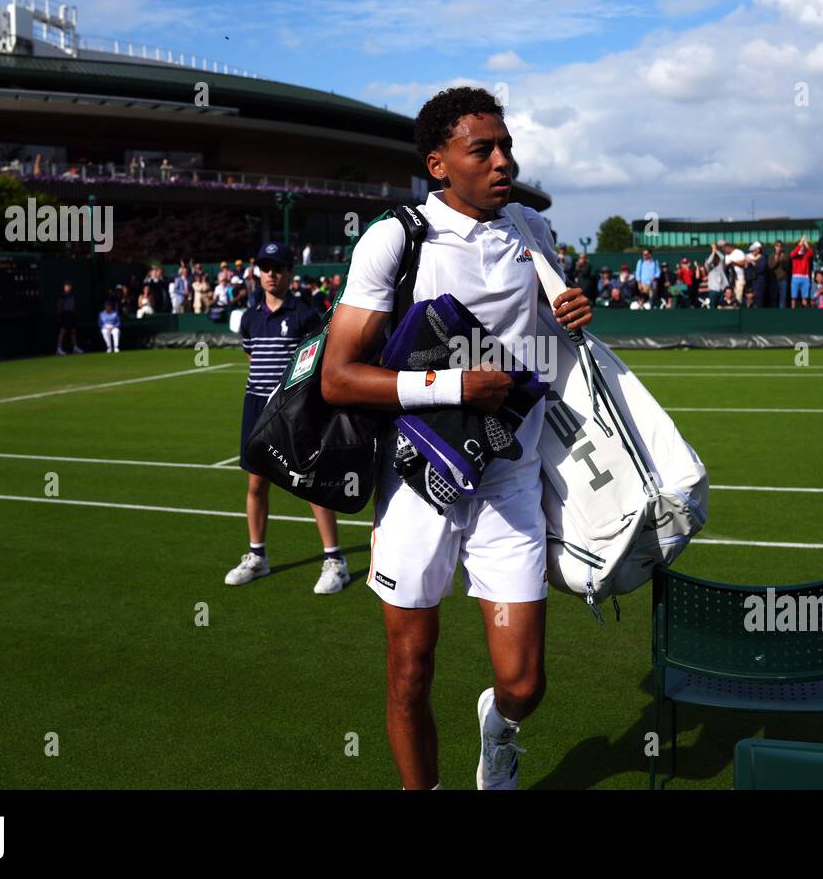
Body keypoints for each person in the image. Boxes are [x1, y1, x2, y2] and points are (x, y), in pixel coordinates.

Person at [320, 86, 592, 791]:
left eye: (507, 146)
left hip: (508, 476)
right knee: (410, 670)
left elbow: (550, 345)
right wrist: (450, 387)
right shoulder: (396, 237)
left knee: (523, 682)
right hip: (415, 483)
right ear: (439, 164)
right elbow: (338, 378)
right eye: (484, 149)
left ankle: (497, 729)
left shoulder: (533, 229)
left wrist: (573, 314)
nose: (504, 161)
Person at [225, 241, 351, 598]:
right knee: (255, 484)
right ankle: (257, 556)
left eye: (277, 268)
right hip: (255, 407)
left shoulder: (305, 314)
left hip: (293, 410)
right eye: (265, 268)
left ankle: (335, 561)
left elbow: (312, 365)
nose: (271, 274)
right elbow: (252, 360)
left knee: (309, 482)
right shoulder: (249, 317)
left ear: (290, 273)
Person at [55, 282, 83, 355]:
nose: (67, 287)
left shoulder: (72, 295)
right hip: (64, 314)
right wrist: (59, 315)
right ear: (64, 287)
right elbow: (59, 305)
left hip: (71, 314)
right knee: (62, 331)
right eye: (66, 286)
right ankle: (59, 348)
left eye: (69, 286)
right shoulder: (62, 295)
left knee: (73, 331)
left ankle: (75, 347)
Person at [789, 236, 814, 307]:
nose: (801, 247)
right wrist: (800, 243)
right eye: (800, 245)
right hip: (795, 278)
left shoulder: (806, 254)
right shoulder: (794, 254)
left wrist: (806, 244)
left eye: (802, 245)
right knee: (794, 298)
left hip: (805, 278)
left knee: (805, 298)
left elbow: (811, 253)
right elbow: (792, 254)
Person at [703, 242, 729, 309]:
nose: (715, 259)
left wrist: (716, 250)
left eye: (716, 258)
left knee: (722, 307)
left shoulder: (721, 266)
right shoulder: (709, 268)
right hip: (713, 290)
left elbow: (722, 258)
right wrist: (713, 252)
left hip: (722, 290)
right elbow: (708, 262)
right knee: (712, 307)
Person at [768, 240, 791, 308]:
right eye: (777, 246)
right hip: (774, 280)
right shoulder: (771, 256)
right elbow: (771, 266)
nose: (778, 248)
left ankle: (783, 314)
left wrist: (783, 260)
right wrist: (777, 258)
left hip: (783, 279)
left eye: (780, 246)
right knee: (774, 298)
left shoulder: (785, 256)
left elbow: (787, 267)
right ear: (774, 247)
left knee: (782, 299)